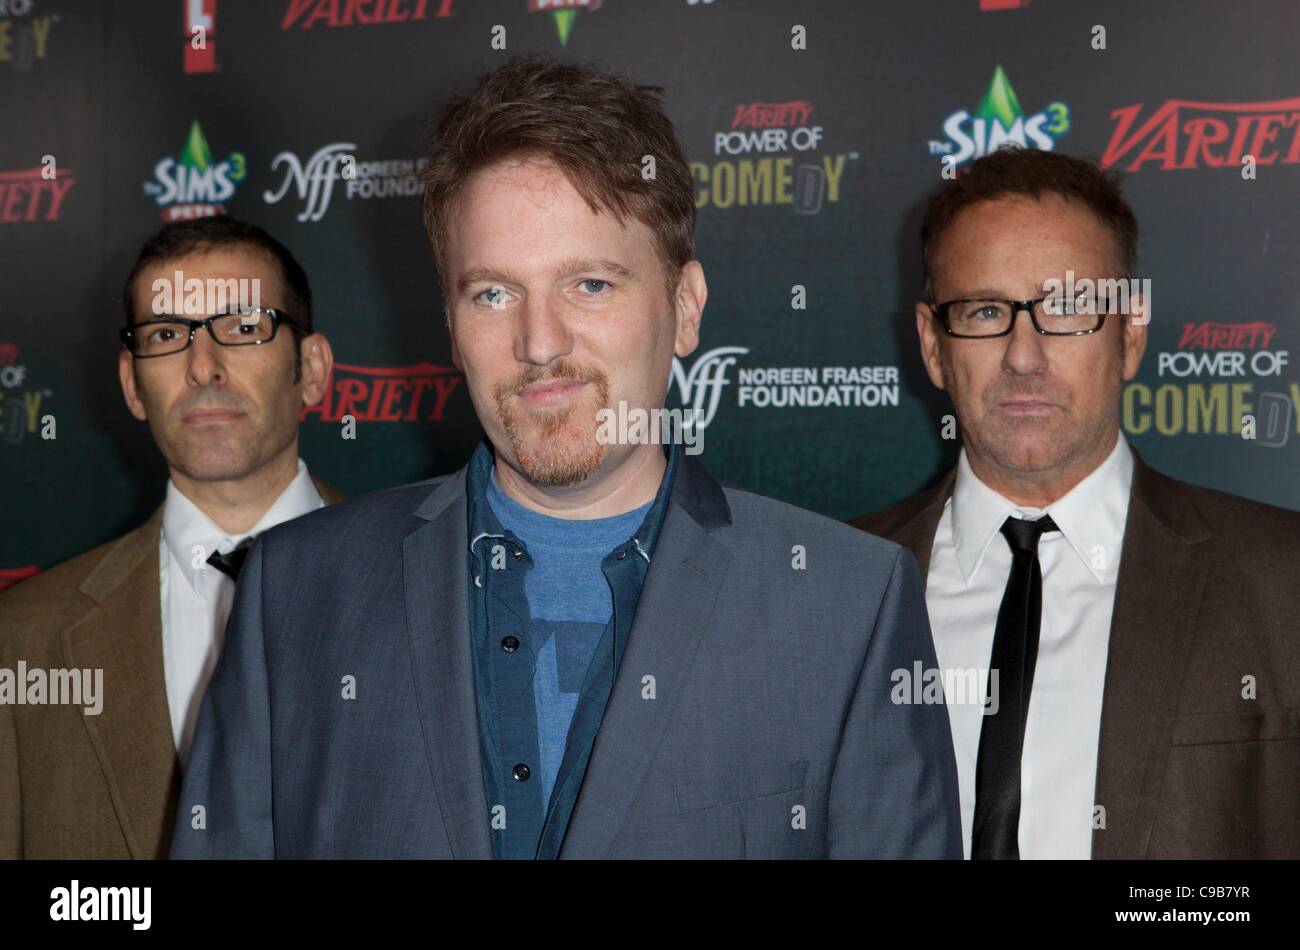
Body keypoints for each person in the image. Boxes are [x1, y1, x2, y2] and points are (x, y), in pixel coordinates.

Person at [169, 55, 960, 860]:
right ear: (450, 321)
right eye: (494, 294)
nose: (539, 343)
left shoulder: (845, 608)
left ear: (685, 308)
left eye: (589, 285)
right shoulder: (293, 596)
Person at [852, 146, 1300, 859]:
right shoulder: (835, 592)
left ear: (1132, 333)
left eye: (1067, 309)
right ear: (933, 346)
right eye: (986, 310)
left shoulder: (1282, 584)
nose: (1024, 357)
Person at [0, 216, 343, 858]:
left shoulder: (431, 595)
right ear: (133, 383)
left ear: (313, 368)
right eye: (167, 334)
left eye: (243, 327)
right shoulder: (20, 643)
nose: (203, 368)